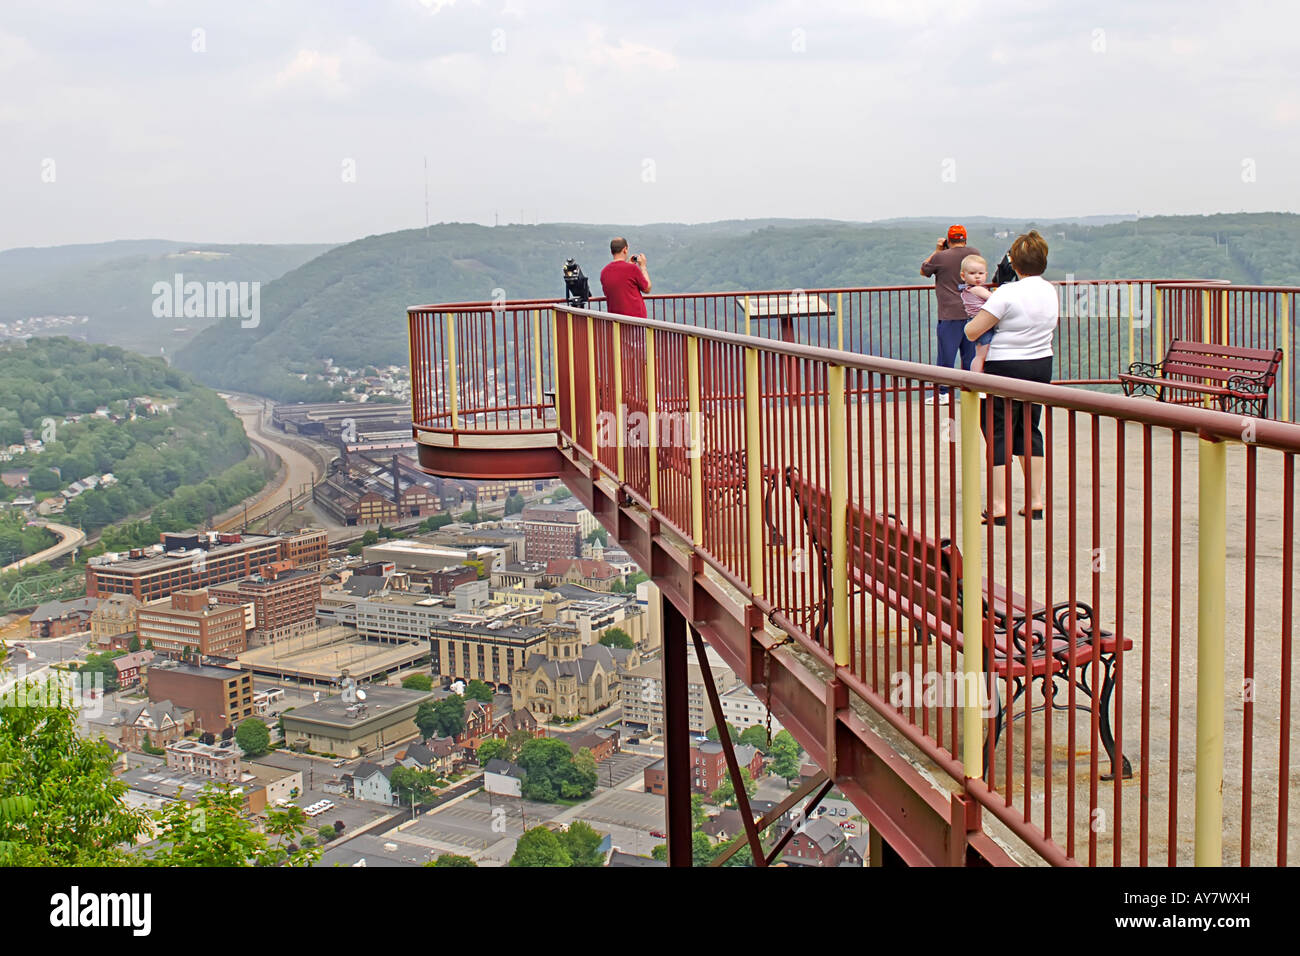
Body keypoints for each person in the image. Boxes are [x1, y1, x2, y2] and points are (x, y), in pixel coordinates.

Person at [963, 230, 1057, 524]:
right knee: (1030, 429)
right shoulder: (1049, 290)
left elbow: (973, 331)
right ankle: (1035, 501)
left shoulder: (1007, 292)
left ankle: (999, 505)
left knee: (999, 432)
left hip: (1005, 367)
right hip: (1041, 365)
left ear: (1014, 263)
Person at [920, 224, 982, 404]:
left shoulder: (941, 257)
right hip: (972, 312)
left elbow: (924, 271)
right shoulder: (974, 254)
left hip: (949, 313)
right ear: (965, 239)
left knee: (946, 355)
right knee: (970, 355)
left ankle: (944, 393)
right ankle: (972, 390)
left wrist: (938, 249)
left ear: (949, 239)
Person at [958, 254, 994, 373]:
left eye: (980, 273)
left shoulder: (966, 289)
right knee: (981, 356)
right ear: (963, 275)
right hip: (983, 323)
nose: (977, 277)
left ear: (986, 275)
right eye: (973, 274)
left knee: (979, 354)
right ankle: (977, 379)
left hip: (973, 322)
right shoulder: (978, 289)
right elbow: (995, 299)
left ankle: (977, 378)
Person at [600, 237, 651, 318]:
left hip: (616, 321)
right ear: (625, 249)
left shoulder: (604, 272)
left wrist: (629, 264)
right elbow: (647, 288)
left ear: (611, 251)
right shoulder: (632, 269)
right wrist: (643, 267)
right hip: (635, 320)